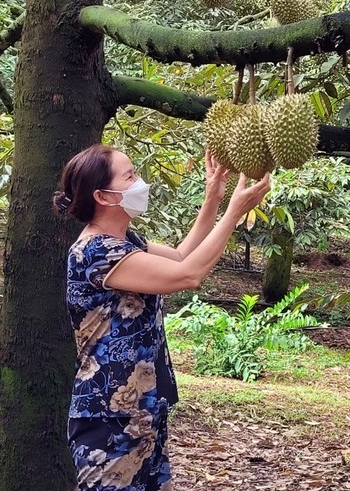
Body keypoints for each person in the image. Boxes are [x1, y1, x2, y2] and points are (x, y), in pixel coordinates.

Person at [52, 144, 270, 491]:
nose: (140, 182)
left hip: (142, 408)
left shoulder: (126, 241)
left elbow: (182, 256)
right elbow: (187, 275)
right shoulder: (95, 252)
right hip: (109, 416)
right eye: (129, 176)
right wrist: (234, 213)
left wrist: (213, 197)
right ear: (103, 197)